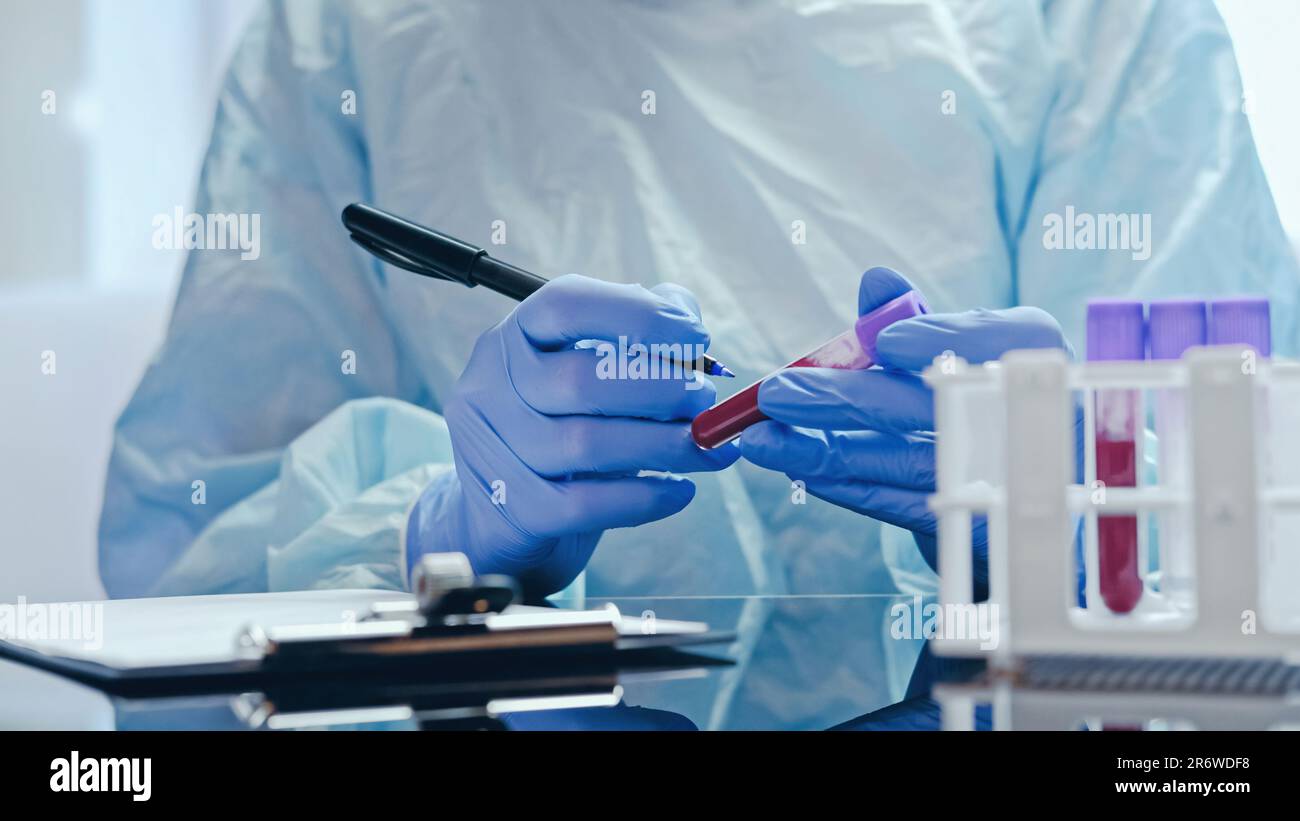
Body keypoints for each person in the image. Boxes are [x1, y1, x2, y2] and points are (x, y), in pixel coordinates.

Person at [100, 0, 1297, 728]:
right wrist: (432, 545)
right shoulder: (345, 36)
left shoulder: (1102, 28)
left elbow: (1253, 592)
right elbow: (184, 608)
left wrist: (1082, 530)